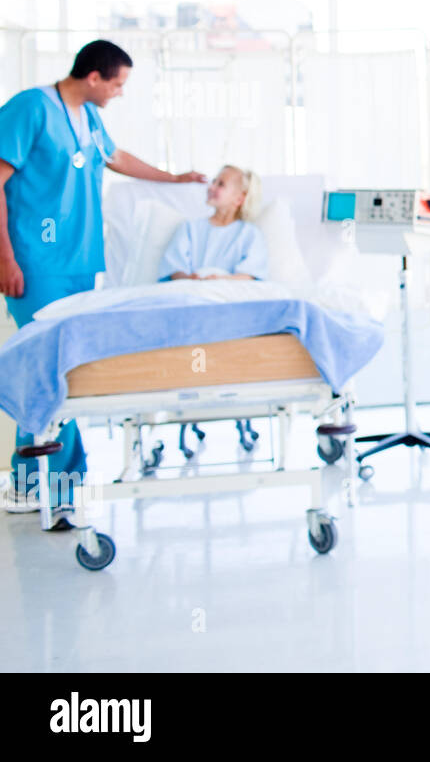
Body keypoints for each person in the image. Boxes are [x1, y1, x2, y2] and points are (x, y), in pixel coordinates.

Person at [0, 39, 206, 521]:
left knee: (54, 371)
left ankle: (27, 484)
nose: (119, 93)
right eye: (117, 83)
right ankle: (68, 484)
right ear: (94, 77)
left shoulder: (89, 119)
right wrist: (4, 257)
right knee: (56, 370)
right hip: (35, 261)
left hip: (78, 261)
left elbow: (116, 158)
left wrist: (174, 178)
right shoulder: (31, 108)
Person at [159, 165, 268, 281]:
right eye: (213, 182)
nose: (211, 187)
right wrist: (189, 279)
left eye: (221, 184)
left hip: (231, 292)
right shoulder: (189, 228)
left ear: (239, 199)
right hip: (192, 289)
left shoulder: (250, 233)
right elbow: (174, 267)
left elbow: (250, 274)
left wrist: (221, 280)